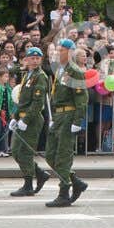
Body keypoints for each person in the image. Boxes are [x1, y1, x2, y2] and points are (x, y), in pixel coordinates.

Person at [42, 39, 90, 207]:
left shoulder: (74, 71)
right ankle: (75, 181)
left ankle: (64, 192)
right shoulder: (61, 71)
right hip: (60, 116)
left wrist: (77, 121)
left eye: (61, 50)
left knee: (63, 156)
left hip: (69, 116)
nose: (58, 53)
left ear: (70, 53)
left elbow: (81, 98)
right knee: (50, 154)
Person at [9, 48, 53, 196]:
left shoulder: (40, 76)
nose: (35, 60)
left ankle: (28, 184)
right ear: (26, 60)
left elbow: (37, 102)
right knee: (15, 151)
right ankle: (40, 173)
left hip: (32, 120)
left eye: (37, 58)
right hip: (22, 117)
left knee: (25, 152)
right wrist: (15, 117)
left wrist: (26, 120)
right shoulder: (28, 75)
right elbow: (22, 100)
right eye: (32, 58)